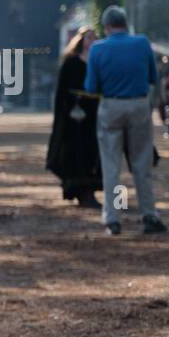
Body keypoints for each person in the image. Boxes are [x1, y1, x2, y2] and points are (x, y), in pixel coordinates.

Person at [85, 5, 166, 235]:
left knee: (111, 165)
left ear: (107, 26)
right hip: (139, 105)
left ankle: (113, 218)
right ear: (125, 22)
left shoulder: (98, 49)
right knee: (142, 163)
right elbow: (152, 76)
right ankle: (149, 215)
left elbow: (91, 86)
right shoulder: (142, 43)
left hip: (111, 105)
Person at [46, 28, 102, 209]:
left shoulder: (98, 62)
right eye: (89, 37)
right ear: (81, 40)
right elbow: (62, 91)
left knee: (92, 152)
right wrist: (67, 112)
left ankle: (90, 191)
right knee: (76, 153)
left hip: (93, 115)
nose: (92, 40)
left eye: (94, 37)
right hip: (73, 116)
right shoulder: (70, 63)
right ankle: (80, 191)